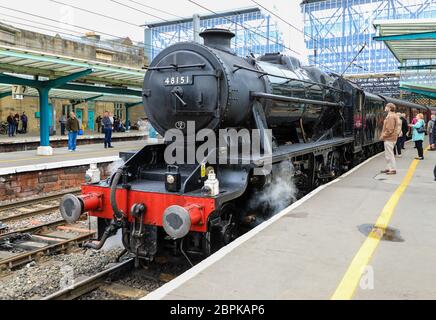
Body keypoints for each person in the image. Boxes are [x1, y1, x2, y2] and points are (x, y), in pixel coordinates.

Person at [380, 103, 399, 175]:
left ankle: (393, 169)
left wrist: (383, 136)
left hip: (390, 138)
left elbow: (390, 129)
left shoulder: (391, 117)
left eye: (386, 106)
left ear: (390, 108)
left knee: (390, 154)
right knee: (388, 154)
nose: (385, 107)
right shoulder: (392, 115)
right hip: (390, 138)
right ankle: (388, 168)